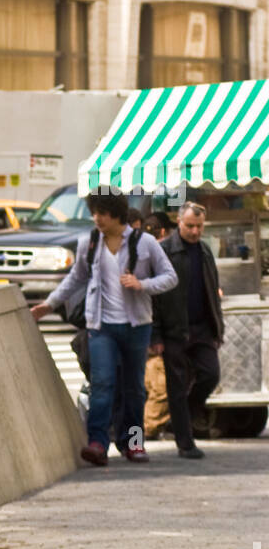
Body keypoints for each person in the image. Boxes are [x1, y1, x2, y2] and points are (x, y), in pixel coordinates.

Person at [32, 193, 177, 466]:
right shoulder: (89, 242)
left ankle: (133, 443)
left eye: (102, 213)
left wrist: (142, 284)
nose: (97, 218)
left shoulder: (144, 242)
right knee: (102, 384)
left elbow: (170, 277)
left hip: (137, 326)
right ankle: (97, 442)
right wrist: (49, 305)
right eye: (94, 213)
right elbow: (75, 279)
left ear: (117, 214)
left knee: (134, 388)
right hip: (101, 326)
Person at [150, 201, 224, 460]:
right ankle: (185, 442)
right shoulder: (164, 251)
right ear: (179, 222)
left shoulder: (204, 251)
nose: (195, 231)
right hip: (174, 331)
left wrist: (217, 329)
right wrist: (156, 335)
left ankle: (186, 414)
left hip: (202, 328)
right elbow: (155, 297)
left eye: (199, 226)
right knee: (176, 386)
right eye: (190, 226)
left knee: (210, 374)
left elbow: (212, 289)